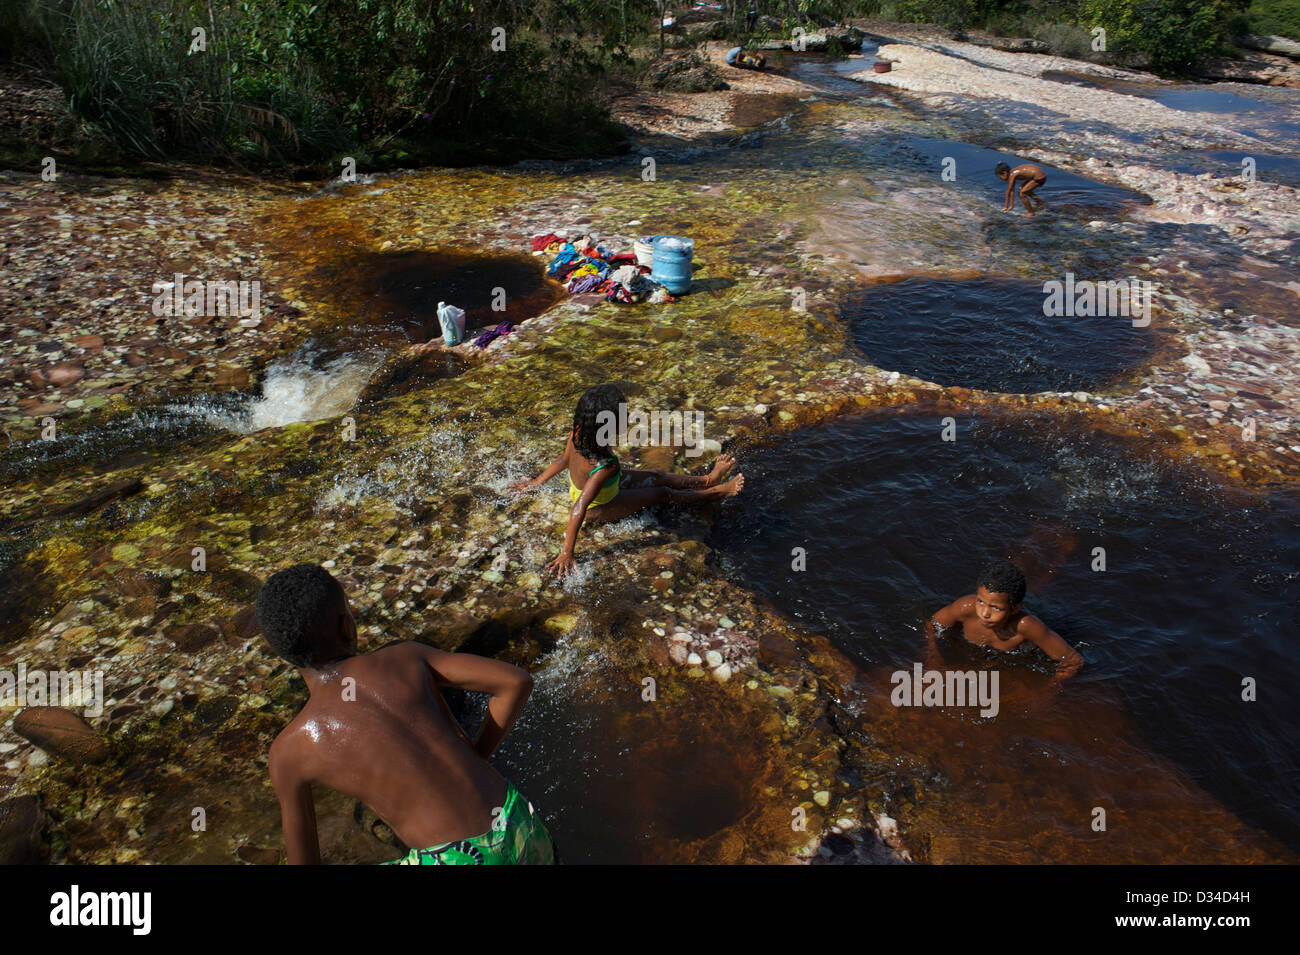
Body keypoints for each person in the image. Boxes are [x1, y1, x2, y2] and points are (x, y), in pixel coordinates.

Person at [256, 563, 556, 865]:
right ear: (345, 626)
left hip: (459, 859)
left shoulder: (288, 751)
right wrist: (478, 756)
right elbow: (515, 682)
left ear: (282, 653)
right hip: (519, 823)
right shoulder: (406, 656)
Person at [510, 383, 744, 578]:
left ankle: (707, 479)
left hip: (604, 488)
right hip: (599, 507)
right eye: (624, 416)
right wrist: (566, 553)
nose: (628, 419)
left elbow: (562, 460)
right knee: (661, 493)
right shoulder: (605, 465)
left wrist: (536, 482)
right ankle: (718, 492)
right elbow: (579, 507)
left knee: (655, 475)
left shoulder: (578, 435)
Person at [926, 559, 1084, 683]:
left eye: (996, 608)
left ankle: (1063, 551)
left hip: (1010, 652)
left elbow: (1073, 661)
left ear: (1015, 609)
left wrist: (1049, 689)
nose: (985, 613)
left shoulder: (1026, 626)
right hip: (977, 654)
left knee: (1044, 578)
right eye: (980, 601)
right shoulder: (965, 608)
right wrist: (933, 654)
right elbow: (932, 624)